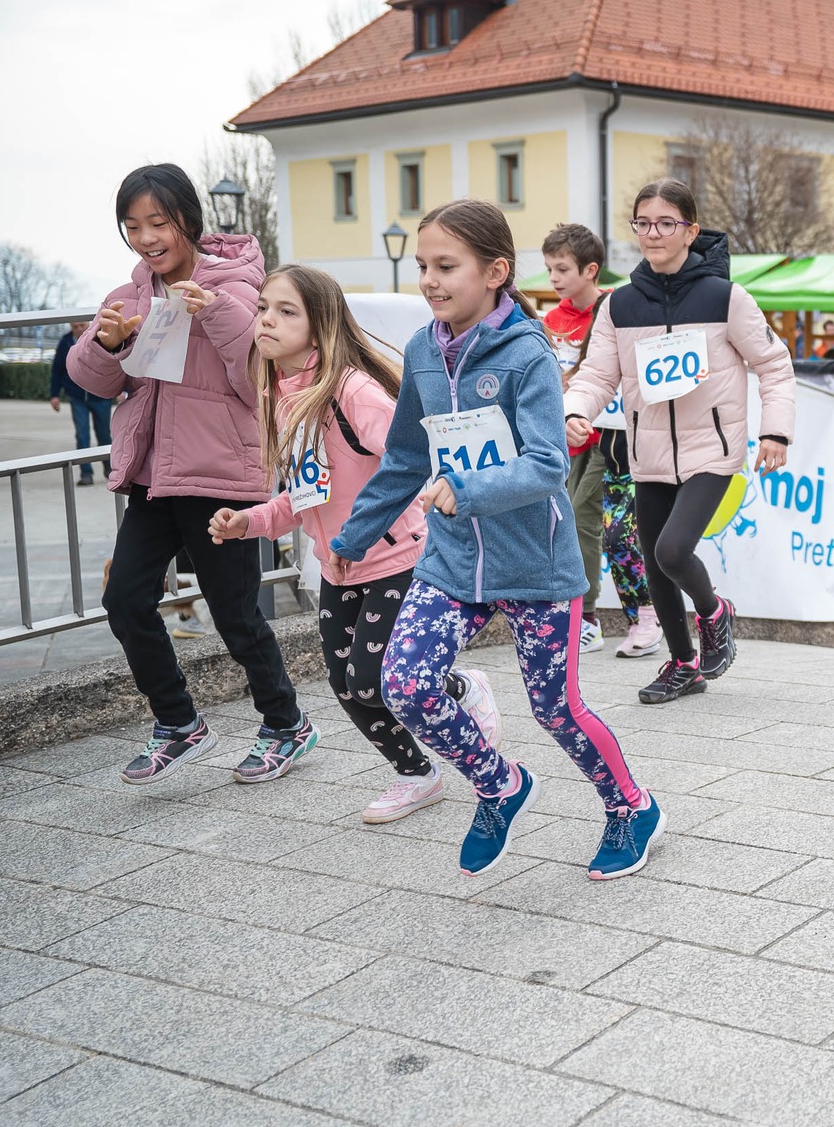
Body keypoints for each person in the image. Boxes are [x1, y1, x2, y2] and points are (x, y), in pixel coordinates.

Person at [333, 198, 659, 879]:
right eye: (423, 265)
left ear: (495, 272)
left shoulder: (526, 353)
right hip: (452, 561)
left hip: (535, 564)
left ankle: (631, 806)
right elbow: (405, 457)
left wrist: (469, 488)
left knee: (556, 709)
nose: (430, 280)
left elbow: (546, 463)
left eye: (446, 266)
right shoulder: (423, 350)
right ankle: (499, 784)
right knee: (405, 684)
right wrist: (355, 534)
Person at [208, 264, 486, 824]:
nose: (266, 320)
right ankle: (417, 775)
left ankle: (458, 687)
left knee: (371, 678)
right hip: (337, 566)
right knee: (346, 685)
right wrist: (251, 521)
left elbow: (414, 459)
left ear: (320, 325)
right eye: (262, 308)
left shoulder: (352, 391)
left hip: (398, 558)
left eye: (286, 311)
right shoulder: (284, 397)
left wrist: (442, 505)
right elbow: (305, 495)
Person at [70, 163, 311, 786]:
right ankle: (178, 722)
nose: (147, 238)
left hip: (219, 474)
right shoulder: (129, 295)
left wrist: (220, 315)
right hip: (154, 476)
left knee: (235, 614)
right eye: (133, 226)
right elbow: (92, 381)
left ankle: (286, 724)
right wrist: (106, 344)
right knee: (125, 599)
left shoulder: (240, 287)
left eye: (159, 222)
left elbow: (259, 379)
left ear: (189, 219)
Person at [562, 178, 795, 702]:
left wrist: (775, 431)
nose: (653, 233)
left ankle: (714, 611)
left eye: (666, 223)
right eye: (643, 223)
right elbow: (597, 375)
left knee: (672, 550)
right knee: (654, 563)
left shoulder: (725, 298)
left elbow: (774, 365)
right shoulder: (619, 306)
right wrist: (575, 411)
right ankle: (683, 665)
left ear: (690, 231)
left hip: (713, 449)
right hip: (648, 453)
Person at [543, 223, 658, 659]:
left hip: (610, 440)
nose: (554, 278)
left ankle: (592, 619)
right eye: (550, 268)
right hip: (566, 439)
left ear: (590, 270)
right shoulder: (550, 322)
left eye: (562, 269)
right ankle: (604, 617)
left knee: (596, 527)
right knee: (576, 528)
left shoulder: (615, 311)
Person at [51, 326, 113, 484]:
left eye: (81, 325)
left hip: (100, 395)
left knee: (104, 434)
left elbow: (114, 362)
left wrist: (122, 389)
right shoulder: (65, 342)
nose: (78, 329)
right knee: (82, 434)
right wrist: (54, 394)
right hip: (77, 396)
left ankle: (110, 468)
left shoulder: (101, 336)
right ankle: (86, 473)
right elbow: (57, 369)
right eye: (75, 326)